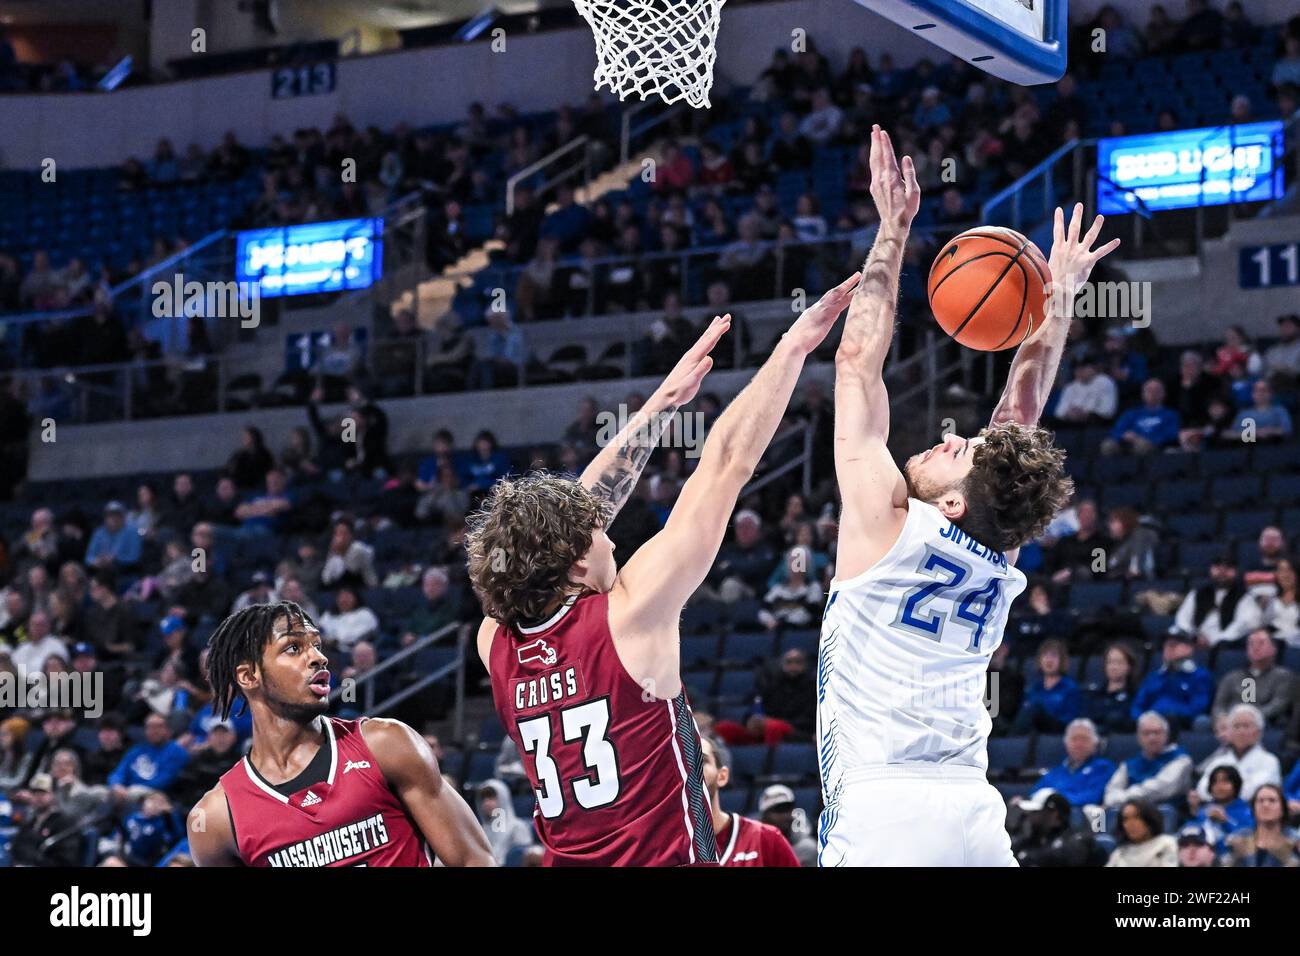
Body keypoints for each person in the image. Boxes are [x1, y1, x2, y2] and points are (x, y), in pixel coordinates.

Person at [467, 273, 861, 866]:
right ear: (576, 564)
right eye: (597, 532)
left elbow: (556, 528)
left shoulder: (493, 639)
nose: (609, 530)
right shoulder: (629, 614)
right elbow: (725, 462)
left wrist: (659, 407)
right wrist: (794, 348)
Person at [817, 127, 1117, 866]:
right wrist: (1060, 301)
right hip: (972, 811)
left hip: (884, 804)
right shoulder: (997, 547)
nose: (954, 438)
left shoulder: (885, 525)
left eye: (961, 455)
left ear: (952, 503)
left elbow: (857, 361)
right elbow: (1019, 417)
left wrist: (891, 230)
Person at [187, 601, 494, 866]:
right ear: (248, 675)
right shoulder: (216, 817)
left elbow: (473, 860)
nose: (318, 657)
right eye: (293, 648)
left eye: (317, 645)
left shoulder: (386, 744)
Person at [700, 736, 800, 867]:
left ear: (722, 776)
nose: (689, 768)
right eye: (682, 762)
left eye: (701, 760)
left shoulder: (766, 839)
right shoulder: (665, 847)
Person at [1192, 704, 1282, 803]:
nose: (1241, 731)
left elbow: (1254, 792)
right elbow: (1202, 789)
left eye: (1246, 726)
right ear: (1229, 732)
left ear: (1258, 732)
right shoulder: (1219, 761)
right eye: (1236, 726)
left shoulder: (1269, 761)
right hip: (1215, 811)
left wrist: (1220, 791)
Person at [1102, 711, 1193, 808]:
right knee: (1095, 813)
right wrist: (1116, 800)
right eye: (1146, 733)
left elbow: (1158, 789)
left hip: (1163, 813)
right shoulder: (1129, 764)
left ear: (1166, 735)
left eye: (1157, 732)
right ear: (1138, 737)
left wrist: (1121, 799)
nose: (1152, 738)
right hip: (1128, 810)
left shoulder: (1181, 760)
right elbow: (1110, 793)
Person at [1170, 553, 1261, 648]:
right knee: (1173, 633)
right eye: (1217, 567)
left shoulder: (1244, 597)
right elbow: (1182, 618)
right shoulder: (1198, 593)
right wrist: (1194, 637)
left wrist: (1216, 641)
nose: (1222, 571)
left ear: (1236, 571)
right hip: (1194, 642)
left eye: (1228, 567)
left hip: (1225, 645)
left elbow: (1244, 623)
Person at [1023, 719, 1117, 809]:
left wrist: (1056, 800)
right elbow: (1034, 794)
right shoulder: (1056, 771)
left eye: (1085, 739)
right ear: (1066, 743)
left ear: (1095, 743)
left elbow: (1093, 797)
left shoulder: (1104, 767)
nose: (1079, 744)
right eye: (1074, 739)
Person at [1131, 633, 1214, 730]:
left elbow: (1198, 707)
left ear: (1189, 648)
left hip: (1181, 723)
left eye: (1174, 645)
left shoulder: (1200, 676)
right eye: (1166, 645)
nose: (1168, 649)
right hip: (1149, 723)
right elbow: (1137, 705)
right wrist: (1142, 718)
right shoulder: (1153, 677)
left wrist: (1166, 713)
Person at [1212, 628, 1293, 725]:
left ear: (1273, 649)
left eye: (1261, 643)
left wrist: (1248, 718)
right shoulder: (1232, 677)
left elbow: (1278, 705)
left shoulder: (1283, 676)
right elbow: (1219, 705)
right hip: (1232, 722)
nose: (1255, 647)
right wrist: (1222, 717)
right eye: (1251, 644)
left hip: (1264, 721)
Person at [1009, 789, 1103, 867]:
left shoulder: (1076, 839)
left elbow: (1070, 857)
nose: (1030, 817)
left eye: (1035, 812)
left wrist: (1030, 858)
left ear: (1054, 814)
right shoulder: (1031, 840)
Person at [1013, 638, 1083, 734]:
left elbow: (1070, 721)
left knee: (1034, 708)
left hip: (1058, 732)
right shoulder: (1033, 689)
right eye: (1045, 655)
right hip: (1033, 734)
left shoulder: (1070, 688)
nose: (1049, 660)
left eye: (1054, 656)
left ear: (1062, 660)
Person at [1220, 784, 1300, 867]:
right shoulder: (1237, 839)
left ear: (1282, 809)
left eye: (1272, 800)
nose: (1265, 805)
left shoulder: (1295, 842)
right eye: (1260, 801)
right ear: (1253, 809)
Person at [1101, 378, 1180, 455]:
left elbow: (1171, 435)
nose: (1153, 393)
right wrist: (1123, 435)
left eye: (1156, 390)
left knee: (1141, 445)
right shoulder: (1131, 413)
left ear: (1163, 394)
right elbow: (1115, 430)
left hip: (1154, 446)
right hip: (1127, 444)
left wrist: (1142, 438)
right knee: (1108, 446)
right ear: (1143, 394)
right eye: (1149, 390)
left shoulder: (1170, 414)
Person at [1190, 765, 1254, 852]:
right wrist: (1193, 812)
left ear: (1236, 784)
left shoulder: (1246, 811)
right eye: (1214, 782)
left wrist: (1225, 821)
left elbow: (1247, 837)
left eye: (1225, 782)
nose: (1219, 786)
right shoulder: (1204, 810)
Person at [474, 778, 534, 866]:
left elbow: (526, 860)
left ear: (503, 798)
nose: (486, 802)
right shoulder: (481, 830)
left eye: (491, 797)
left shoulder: (517, 826)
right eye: (483, 799)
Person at [756, 784, 818, 866]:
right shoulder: (752, 849)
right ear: (764, 816)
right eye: (778, 810)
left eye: (788, 808)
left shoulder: (806, 849)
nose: (785, 815)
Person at [1105, 799, 1178, 867]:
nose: (1131, 824)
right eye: (1125, 819)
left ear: (1149, 819)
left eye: (1136, 817)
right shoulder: (1120, 852)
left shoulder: (1166, 843)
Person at [1086, 642, 1139, 733]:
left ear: (1129, 667)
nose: (1113, 667)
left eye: (1119, 662)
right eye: (1110, 662)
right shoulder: (1093, 694)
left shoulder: (1135, 696)